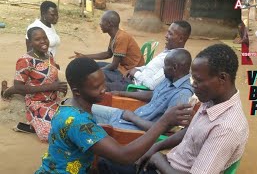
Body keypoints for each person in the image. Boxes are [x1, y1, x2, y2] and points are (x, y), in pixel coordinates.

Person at [98, 44, 249, 174]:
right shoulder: (212, 101)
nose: (193, 84)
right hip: (168, 163)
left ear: (222, 78)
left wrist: (159, 161)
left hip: (166, 167)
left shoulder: (227, 128)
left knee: (104, 163)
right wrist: (156, 147)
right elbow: (189, 131)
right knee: (105, 161)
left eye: (198, 80)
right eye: (193, 79)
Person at [35, 57, 193, 173]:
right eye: (97, 87)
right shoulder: (79, 123)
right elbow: (124, 156)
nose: (104, 89)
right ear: (77, 91)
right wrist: (163, 123)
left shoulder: (69, 107)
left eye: (103, 83)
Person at [92, 48, 193, 131]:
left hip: (131, 128)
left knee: (88, 127)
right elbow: (153, 94)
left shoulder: (182, 94)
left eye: (165, 66)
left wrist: (133, 118)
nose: (163, 69)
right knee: (87, 109)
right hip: (127, 117)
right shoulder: (170, 78)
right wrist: (121, 93)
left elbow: (162, 128)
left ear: (175, 68)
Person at [1, 27, 67, 142]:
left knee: (68, 123)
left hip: (54, 99)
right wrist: (52, 87)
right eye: (37, 39)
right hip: (37, 102)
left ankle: (5, 91)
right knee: (50, 135)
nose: (43, 41)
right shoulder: (25, 61)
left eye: (44, 38)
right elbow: (18, 87)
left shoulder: (49, 55)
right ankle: (32, 123)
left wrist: (59, 86)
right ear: (30, 42)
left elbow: (52, 76)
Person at [70, 10, 144, 85]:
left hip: (129, 74)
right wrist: (85, 56)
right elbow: (108, 54)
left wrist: (98, 71)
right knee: (95, 66)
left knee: (95, 74)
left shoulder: (121, 38)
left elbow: (114, 65)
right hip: (122, 68)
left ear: (109, 24)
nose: (100, 24)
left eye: (102, 21)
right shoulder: (115, 36)